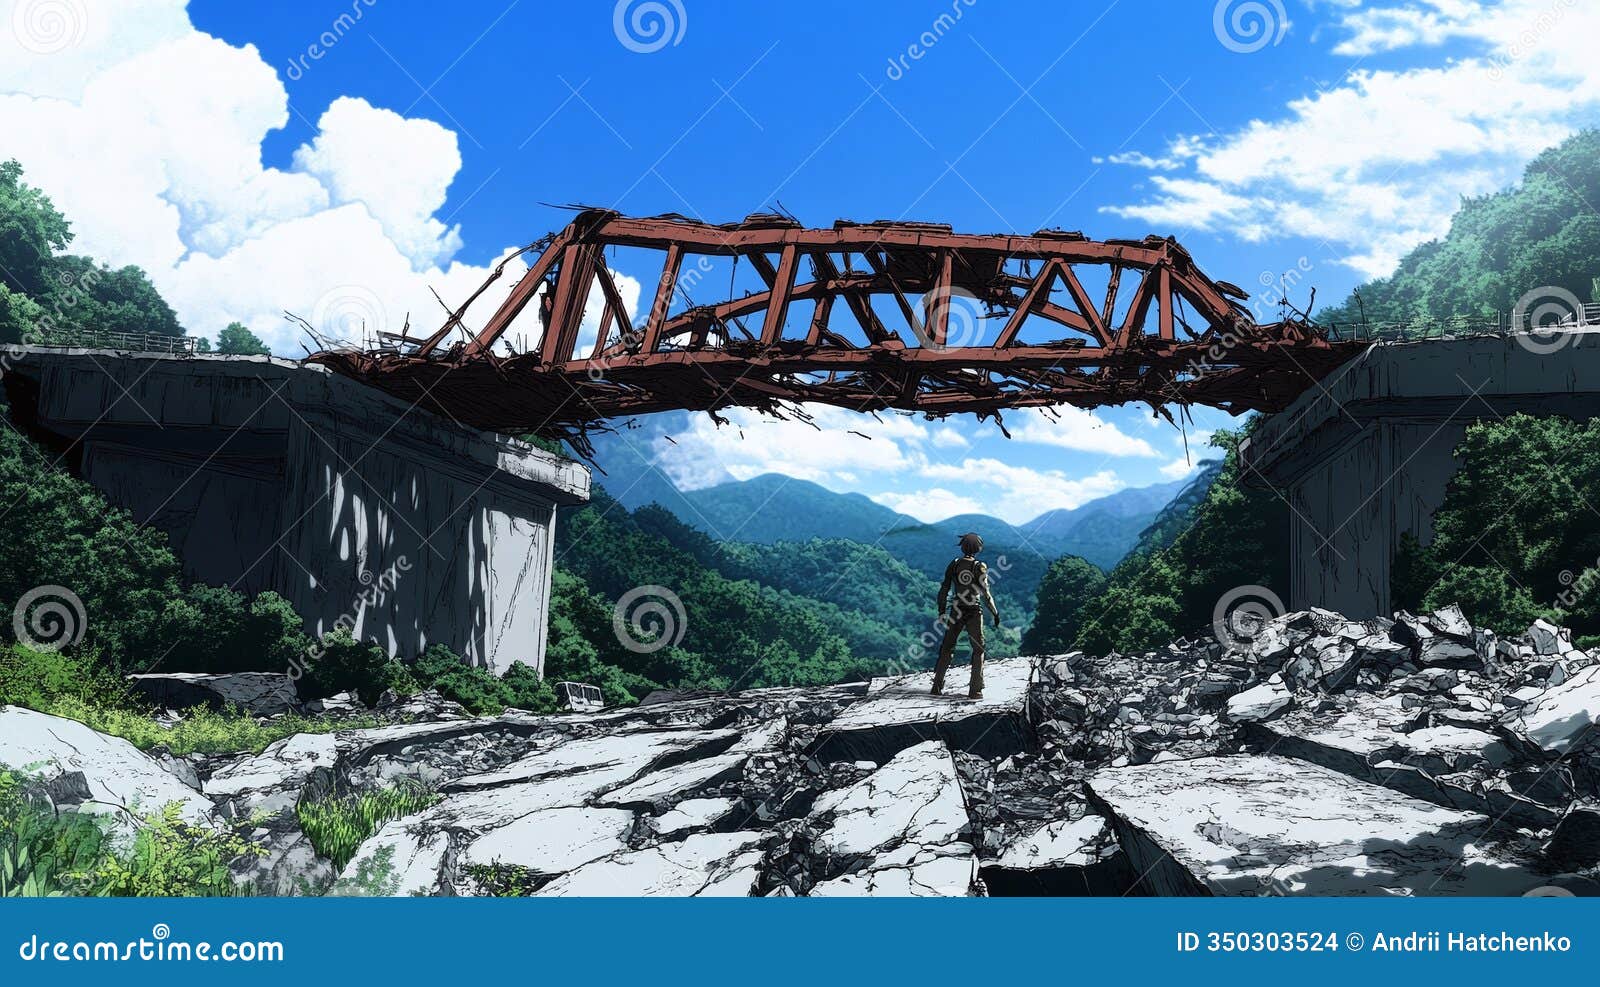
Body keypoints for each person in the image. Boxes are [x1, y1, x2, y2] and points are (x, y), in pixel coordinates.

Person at [933, 532, 1000, 700]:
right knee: (978, 649)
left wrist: (941, 610)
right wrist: (995, 612)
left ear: (962, 546)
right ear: (978, 548)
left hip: (956, 610)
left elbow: (944, 589)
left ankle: (937, 685)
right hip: (973, 611)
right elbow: (985, 593)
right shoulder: (979, 566)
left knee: (947, 647)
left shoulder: (954, 564)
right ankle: (975, 690)